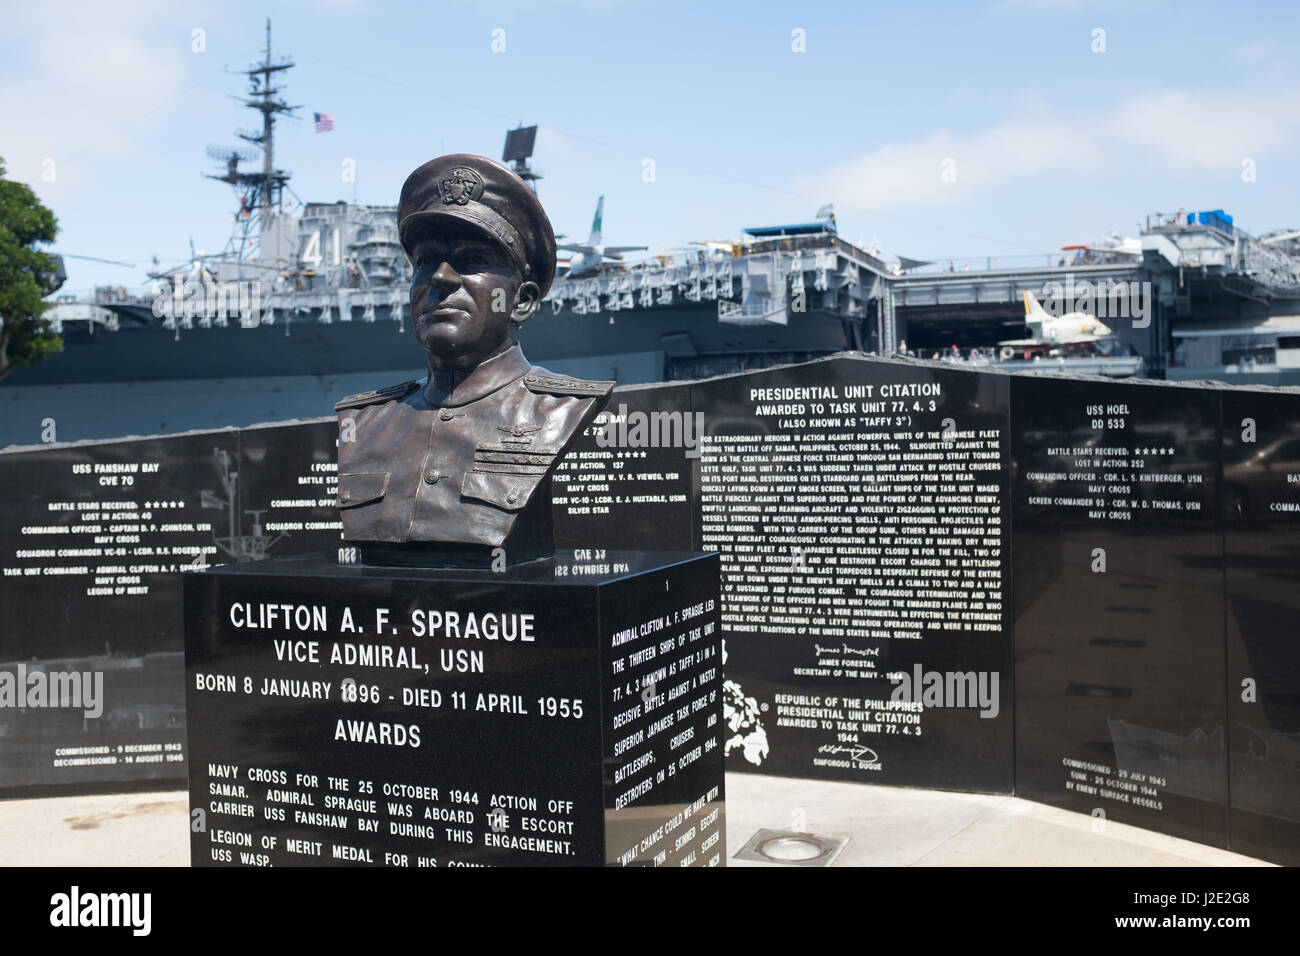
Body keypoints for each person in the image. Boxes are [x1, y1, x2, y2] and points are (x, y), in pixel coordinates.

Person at [335, 155, 613, 563]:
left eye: (473, 260)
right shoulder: (363, 422)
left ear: (522, 301)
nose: (441, 278)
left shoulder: (563, 411)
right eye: (426, 260)